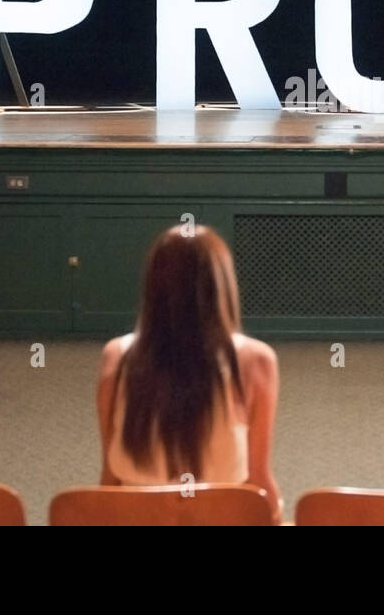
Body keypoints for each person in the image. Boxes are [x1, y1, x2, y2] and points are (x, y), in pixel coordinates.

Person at [96, 224, 282, 523]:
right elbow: (258, 484)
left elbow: (110, 480)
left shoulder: (116, 357)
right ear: (221, 285)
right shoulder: (256, 361)